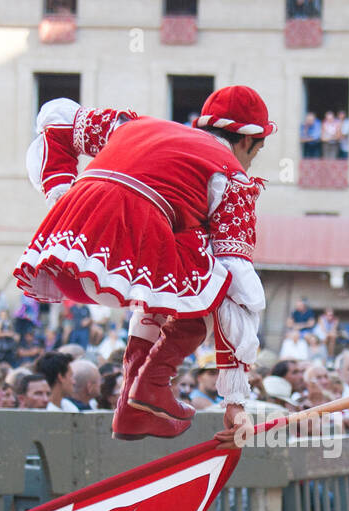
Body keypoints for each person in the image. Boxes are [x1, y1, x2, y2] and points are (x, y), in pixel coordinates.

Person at [17, 87, 275, 442]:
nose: (250, 163)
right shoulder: (232, 177)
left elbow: (58, 121)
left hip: (63, 252)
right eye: (256, 152)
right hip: (119, 254)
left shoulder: (133, 125)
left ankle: (132, 406)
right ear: (247, 141)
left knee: (175, 266)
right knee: (215, 277)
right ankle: (151, 385)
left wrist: (61, 194)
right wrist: (235, 400)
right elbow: (238, 290)